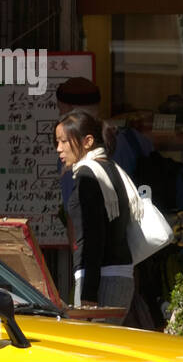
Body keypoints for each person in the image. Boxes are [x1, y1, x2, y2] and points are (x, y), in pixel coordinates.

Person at [55, 108, 134, 319]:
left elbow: (93, 237)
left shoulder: (88, 175)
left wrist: (89, 292)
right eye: (57, 142)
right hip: (118, 275)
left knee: (94, 348)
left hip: (101, 279)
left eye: (63, 141)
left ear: (88, 141)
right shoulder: (111, 168)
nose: (58, 149)